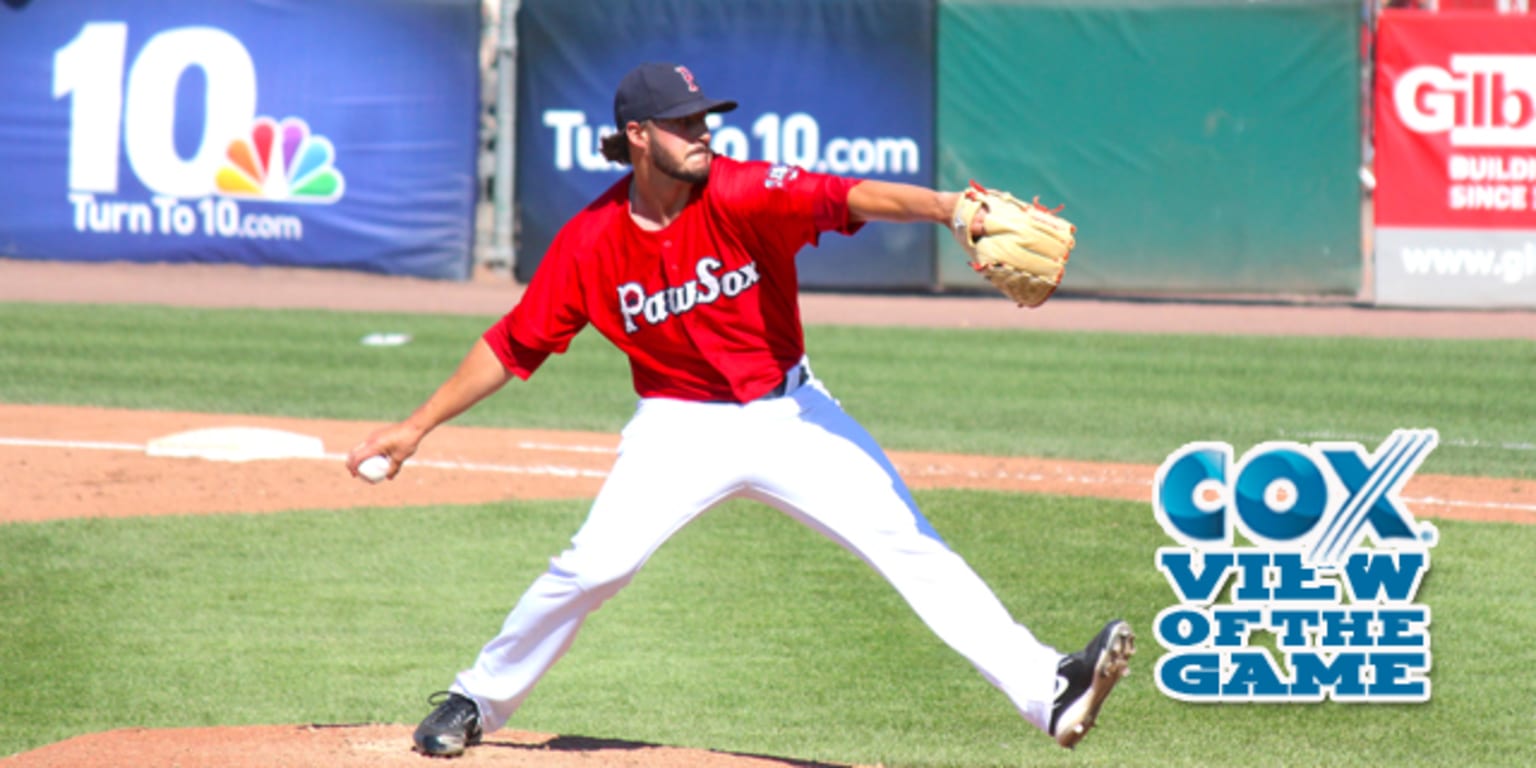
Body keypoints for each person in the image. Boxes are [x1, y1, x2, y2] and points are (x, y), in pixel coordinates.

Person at [346, 61, 1133, 758]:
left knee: (908, 543)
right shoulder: (589, 241)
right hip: (677, 428)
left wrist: (947, 207)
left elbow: (846, 193)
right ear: (638, 135)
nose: (702, 133)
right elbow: (513, 343)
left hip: (791, 415)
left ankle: (1049, 690)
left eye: (704, 118)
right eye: (683, 122)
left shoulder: (744, 189)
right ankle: (476, 700)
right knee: (593, 566)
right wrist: (416, 426)